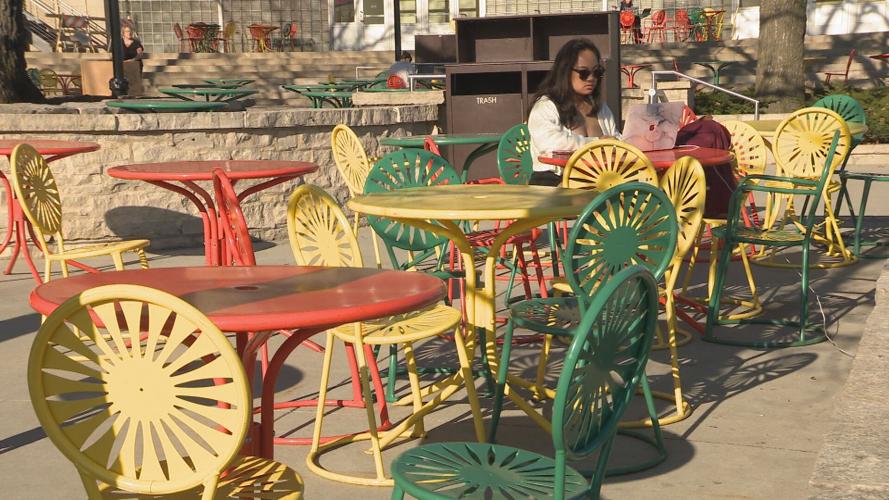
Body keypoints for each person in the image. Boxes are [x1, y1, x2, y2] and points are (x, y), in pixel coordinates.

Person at [527, 38, 619, 186]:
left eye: (597, 72)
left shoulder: (600, 108)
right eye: (583, 73)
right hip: (554, 183)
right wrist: (597, 143)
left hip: (598, 181)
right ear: (565, 71)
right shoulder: (545, 106)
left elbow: (615, 139)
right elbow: (551, 143)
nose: (591, 78)